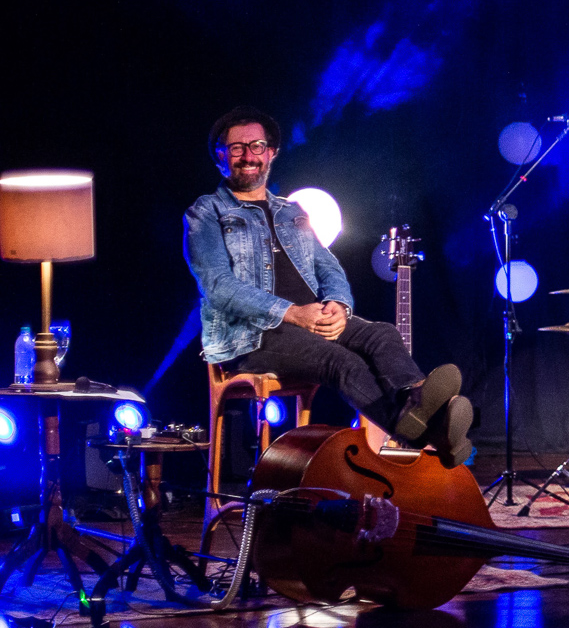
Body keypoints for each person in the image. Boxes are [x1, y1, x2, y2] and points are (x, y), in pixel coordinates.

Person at [185, 107, 472, 463]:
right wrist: (292, 313)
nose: (248, 156)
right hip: (250, 338)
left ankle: (417, 402)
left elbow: (329, 268)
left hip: (310, 321)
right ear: (220, 156)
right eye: (237, 148)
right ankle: (430, 432)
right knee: (341, 361)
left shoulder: (292, 211)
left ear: (271, 153)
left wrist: (338, 303)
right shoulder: (205, 212)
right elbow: (219, 286)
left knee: (381, 334)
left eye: (257, 146)